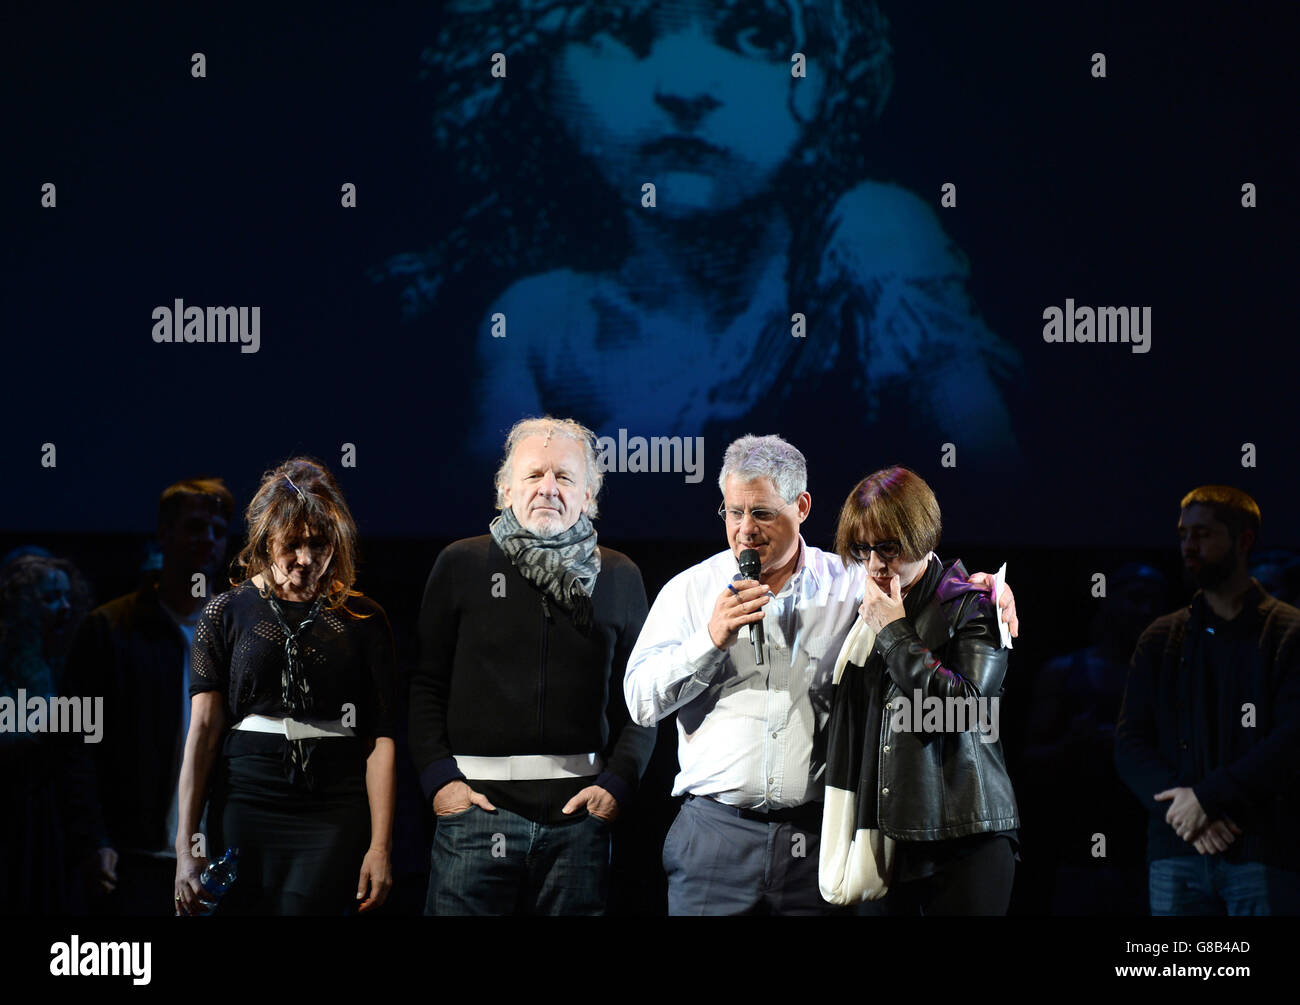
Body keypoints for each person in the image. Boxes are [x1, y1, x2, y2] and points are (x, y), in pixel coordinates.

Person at [377, 0, 1019, 466]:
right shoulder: (539, 324)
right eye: (618, 28)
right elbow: (505, 538)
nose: (684, 88)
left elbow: (987, 481)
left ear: (832, 71)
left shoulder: (876, 244)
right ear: (538, 72)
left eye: (756, 31)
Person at [624, 434, 1017, 915]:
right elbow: (641, 703)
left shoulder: (852, 582)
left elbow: (917, 568)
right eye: (733, 512)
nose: (745, 529)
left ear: (802, 506)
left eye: (763, 513)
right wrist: (709, 641)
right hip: (714, 838)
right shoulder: (689, 591)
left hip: (819, 839)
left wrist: (985, 587)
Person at [410, 416, 656, 915]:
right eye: (533, 475)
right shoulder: (460, 563)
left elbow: (644, 700)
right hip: (472, 817)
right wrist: (441, 782)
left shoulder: (620, 575)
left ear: (589, 496)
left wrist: (617, 784)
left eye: (564, 477)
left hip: (580, 823)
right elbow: (424, 685)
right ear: (504, 490)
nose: (548, 488)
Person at [174, 459, 396, 915]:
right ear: (264, 541)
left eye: (320, 545)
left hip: (333, 804)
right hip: (248, 798)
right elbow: (204, 732)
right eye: (291, 545)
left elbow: (381, 738)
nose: (305, 559)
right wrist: (185, 847)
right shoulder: (226, 612)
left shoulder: (364, 618)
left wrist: (380, 847)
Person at [821, 466, 1018, 915]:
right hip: (885, 839)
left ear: (922, 537)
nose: (874, 563)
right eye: (862, 549)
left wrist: (894, 632)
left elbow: (966, 710)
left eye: (887, 548)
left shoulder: (972, 604)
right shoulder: (865, 609)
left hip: (963, 839)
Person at [1115, 486, 1300, 915]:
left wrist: (1208, 799)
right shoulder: (1160, 637)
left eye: (1202, 534)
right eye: (1183, 535)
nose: (1188, 546)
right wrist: (1188, 813)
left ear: (1244, 540)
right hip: (1176, 847)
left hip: (1263, 851)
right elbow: (1130, 746)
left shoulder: (1289, 633)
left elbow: (1291, 740)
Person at [61, 479, 232, 915]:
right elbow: (75, 742)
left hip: (218, 859)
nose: (208, 540)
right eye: (195, 526)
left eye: (218, 529)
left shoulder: (240, 633)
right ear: (164, 534)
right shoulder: (109, 629)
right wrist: (93, 838)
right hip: (132, 855)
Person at [0, 553, 89, 914]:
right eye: (50, 598)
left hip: (52, 811)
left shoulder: (66, 657)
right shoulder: (9, 663)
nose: (64, 607)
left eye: (67, 597)